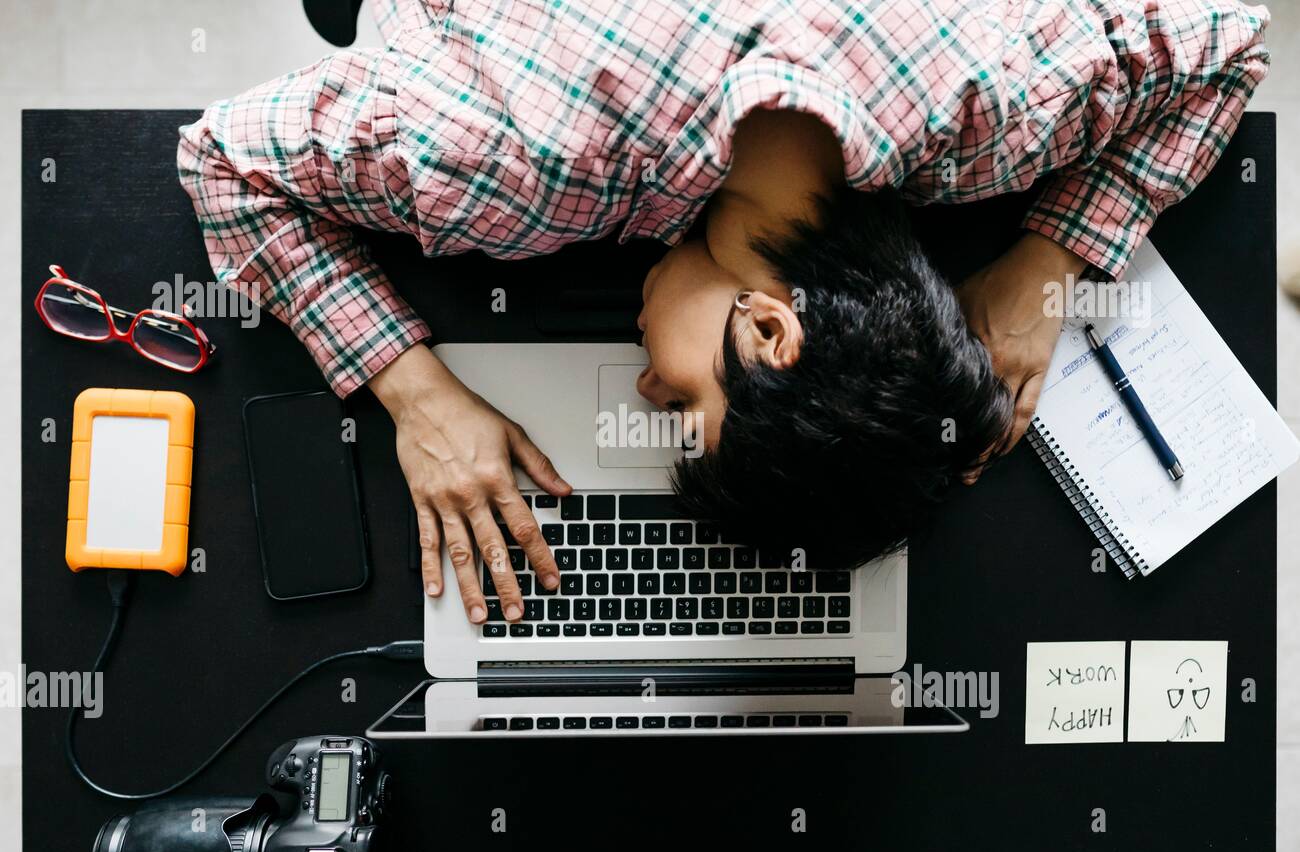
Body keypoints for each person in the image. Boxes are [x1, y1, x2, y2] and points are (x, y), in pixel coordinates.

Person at [178, 0, 1270, 625]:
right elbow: (220, 160)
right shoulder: (501, 169)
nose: (646, 384)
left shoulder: (1001, 106)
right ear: (765, 329)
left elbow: (1227, 33)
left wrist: (1048, 259)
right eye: (687, 399)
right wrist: (414, 393)